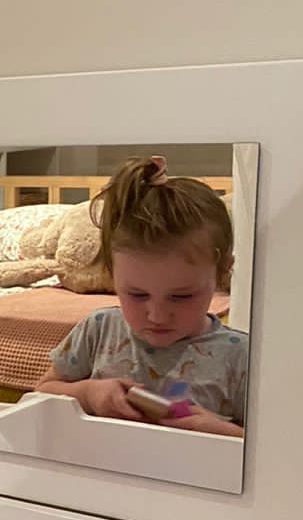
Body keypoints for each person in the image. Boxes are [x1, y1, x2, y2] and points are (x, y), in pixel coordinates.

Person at [36, 156, 247, 437]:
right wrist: (87, 392)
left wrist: (221, 432)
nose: (157, 316)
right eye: (137, 294)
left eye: (181, 296)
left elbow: (279, 451)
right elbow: (41, 393)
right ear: (112, 273)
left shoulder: (240, 356)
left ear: (222, 271)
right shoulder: (98, 329)